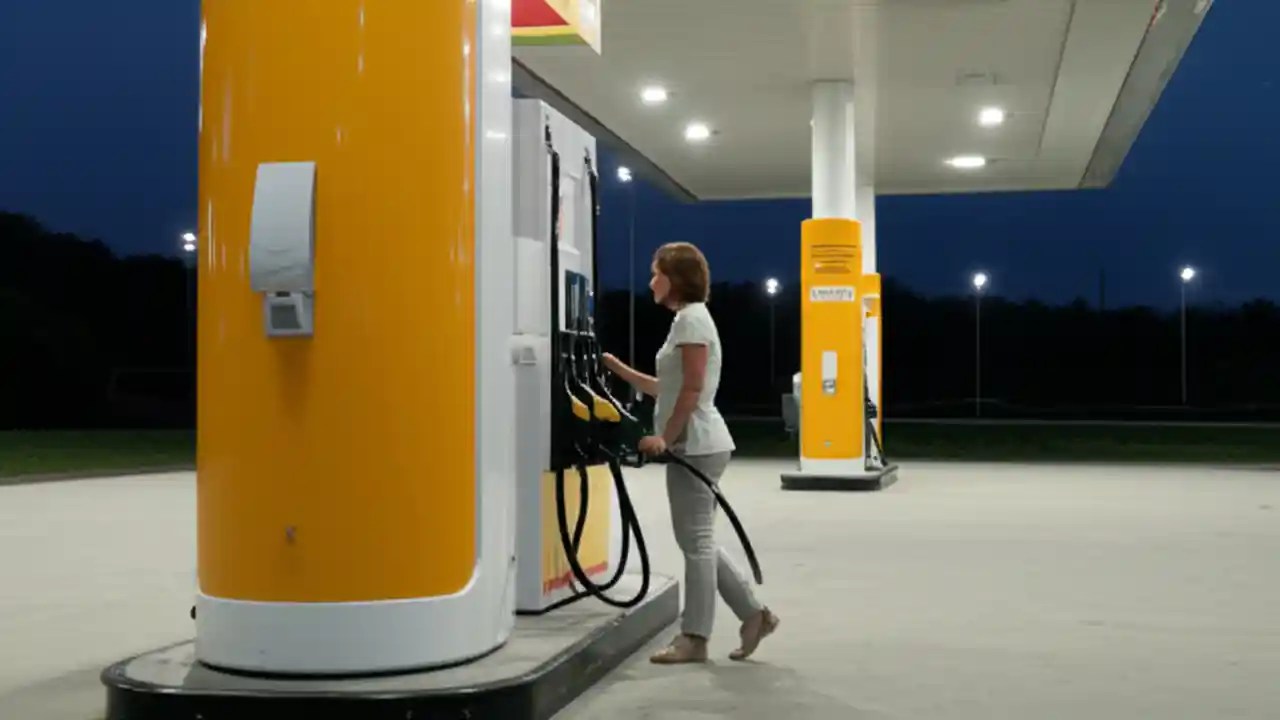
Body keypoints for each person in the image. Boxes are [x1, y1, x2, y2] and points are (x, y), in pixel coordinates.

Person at [603, 242, 780, 664]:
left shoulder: (691, 320)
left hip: (696, 443)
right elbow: (667, 386)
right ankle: (755, 615)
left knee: (696, 542)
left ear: (676, 278)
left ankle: (695, 638)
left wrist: (664, 436)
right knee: (698, 540)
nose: (651, 282)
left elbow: (693, 388)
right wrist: (615, 368)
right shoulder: (688, 321)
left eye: (656, 273)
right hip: (696, 442)